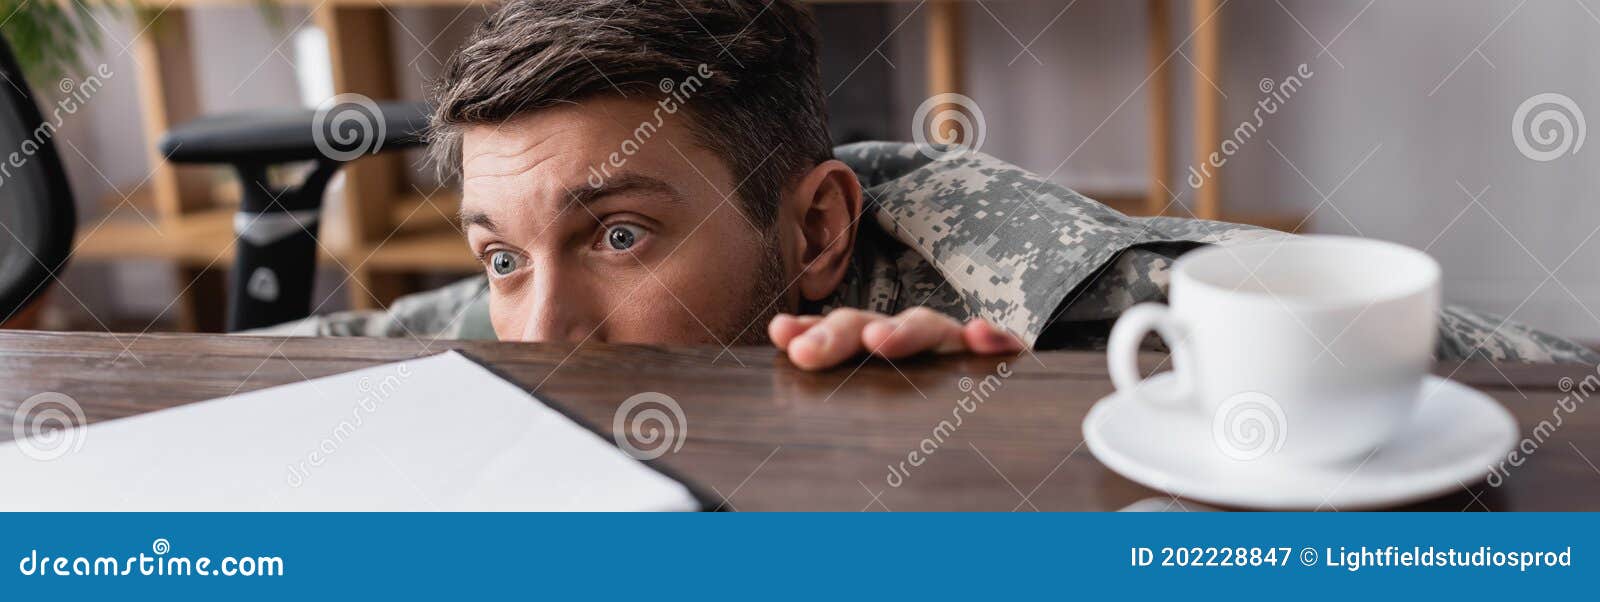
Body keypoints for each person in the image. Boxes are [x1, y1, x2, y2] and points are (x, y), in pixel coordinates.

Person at [257, 0, 1599, 368]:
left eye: (618, 236)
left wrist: (1015, 433)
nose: (542, 330)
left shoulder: (1085, 303)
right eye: (500, 253)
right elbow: (313, 362)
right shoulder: (531, 318)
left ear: (816, 230)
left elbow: (1532, 402)